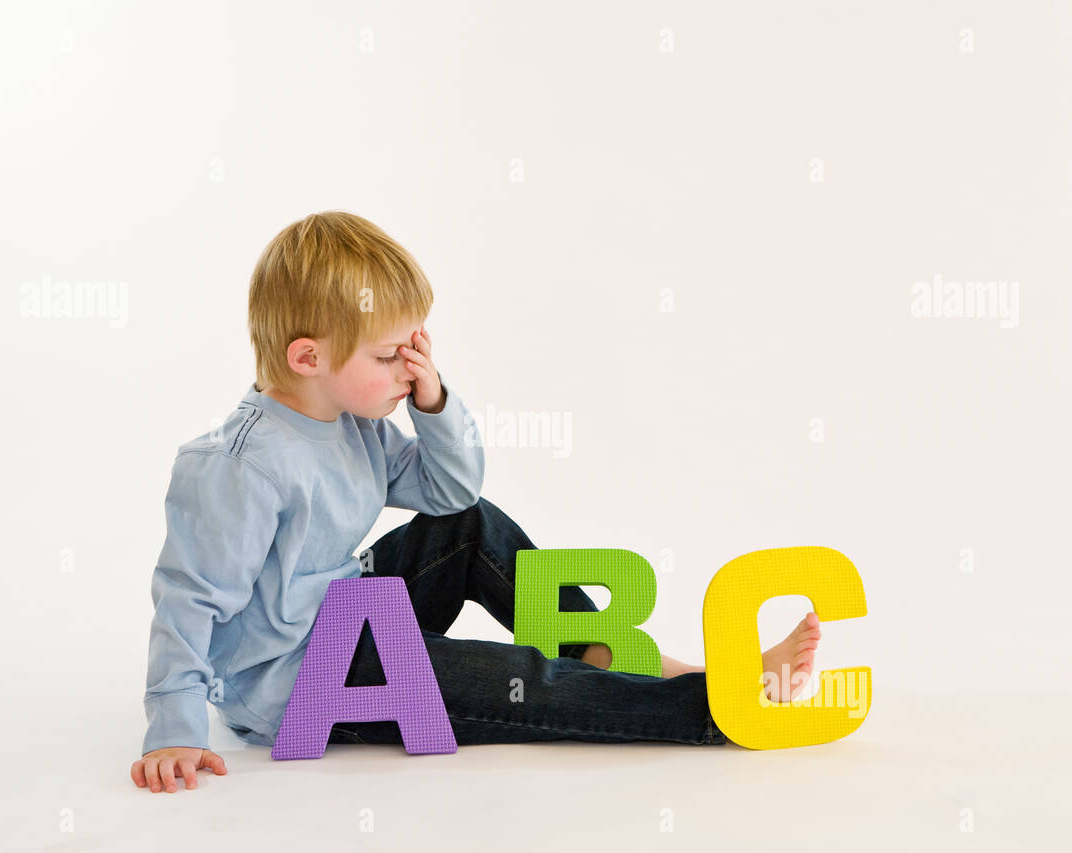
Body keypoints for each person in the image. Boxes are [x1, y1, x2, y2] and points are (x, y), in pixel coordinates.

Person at [129, 211, 823, 794]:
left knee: (466, 525)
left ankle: (617, 655)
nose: (409, 368)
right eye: (388, 357)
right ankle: (712, 707)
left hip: (345, 613)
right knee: (511, 682)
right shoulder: (238, 465)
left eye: (414, 350)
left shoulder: (352, 423)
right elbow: (190, 601)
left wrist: (432, 401)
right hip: (301, 680)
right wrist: (174, 728)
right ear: (308, 358)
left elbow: (450, 492)